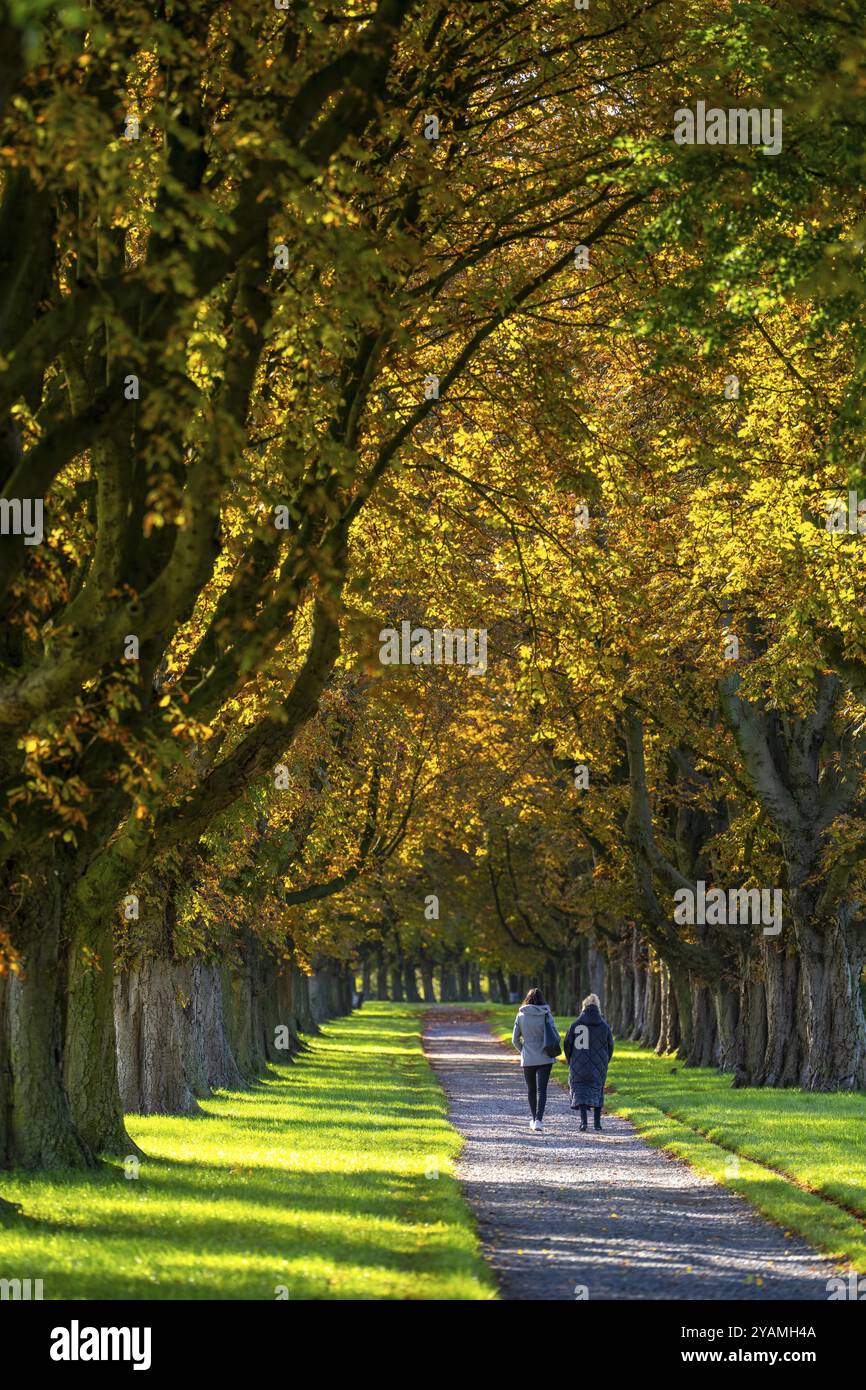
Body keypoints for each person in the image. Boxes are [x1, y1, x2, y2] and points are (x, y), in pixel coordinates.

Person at [511, 987, 560, 1133]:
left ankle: (533, 1118)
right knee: (542, 1090)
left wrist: (524, 1051)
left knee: (531, 1090)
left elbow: (515, 1039)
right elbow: (556, 1037)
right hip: (545, 1056)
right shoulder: (546, 1014)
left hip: (528, 1058)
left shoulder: (521, 1015)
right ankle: (539, 1120)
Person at [563, 992, 614, 1131]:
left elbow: (567, 1044)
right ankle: (597, 1123)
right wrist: (604, 1062)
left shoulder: (575, 1025)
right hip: (599, 1065)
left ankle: (583, 1122)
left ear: (583, 1007)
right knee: (598, 1090)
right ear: (598, 1008)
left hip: (578, 1065)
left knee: (581, 1091)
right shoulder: (604, 1026)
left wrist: (570, 1060)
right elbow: (610, 1046)